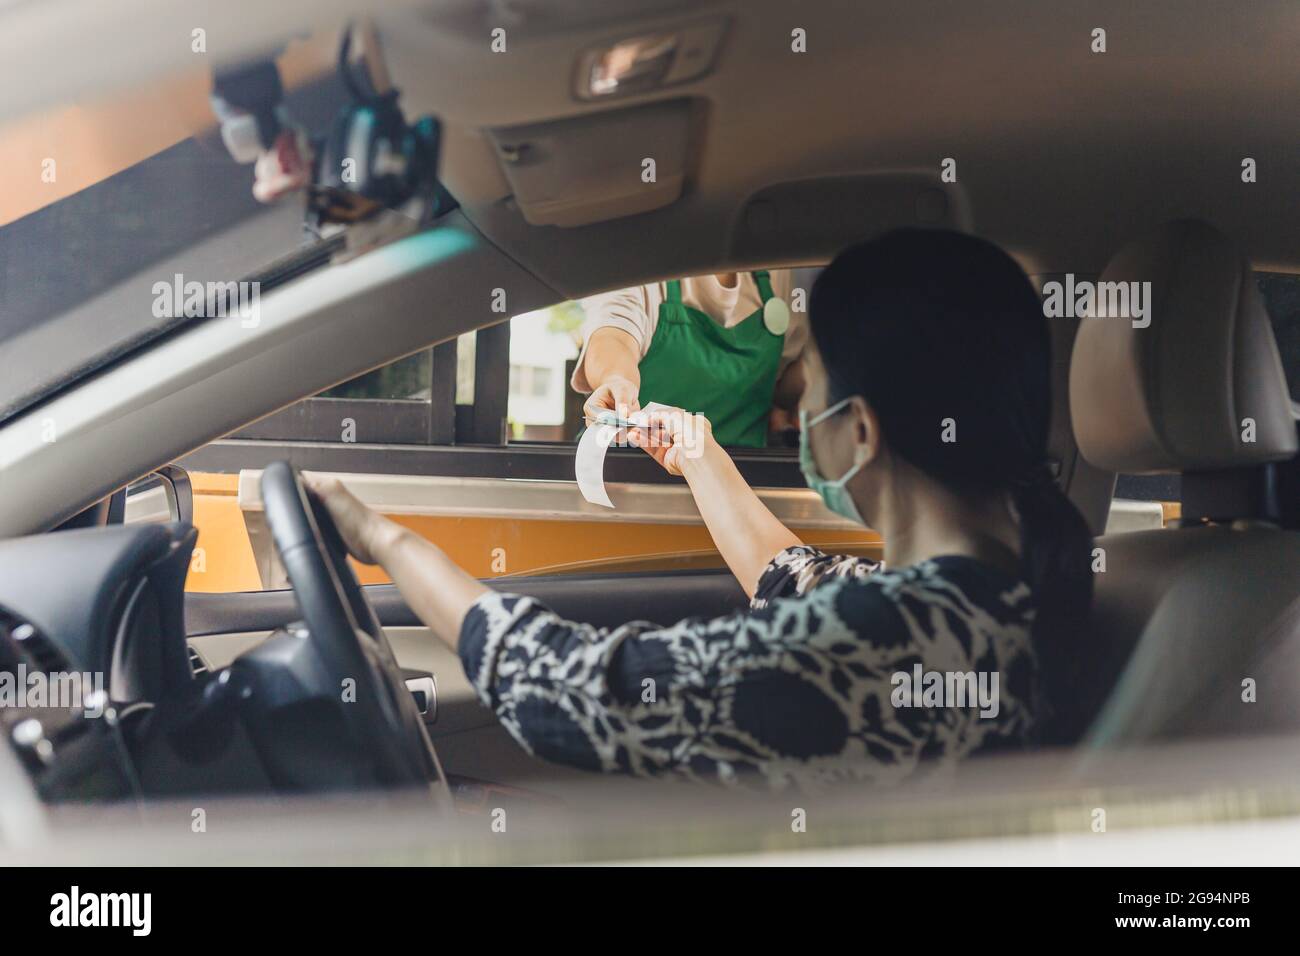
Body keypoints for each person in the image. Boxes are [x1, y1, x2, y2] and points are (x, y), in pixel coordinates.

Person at [306, 230, 1094, 790]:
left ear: (859, 429)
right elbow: (797, 576)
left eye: (812, 377)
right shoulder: (1009, 591)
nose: (800, 396)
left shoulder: (882, 640)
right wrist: (700, 455)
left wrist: (383, 537)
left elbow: (567, 691)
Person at [572, 271, 807, 447]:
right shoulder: (639, 260)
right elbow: (613, 335)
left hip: (742, 485)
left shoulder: (782, 272)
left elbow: (781, 385)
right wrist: (616, 379)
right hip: (629, 479)